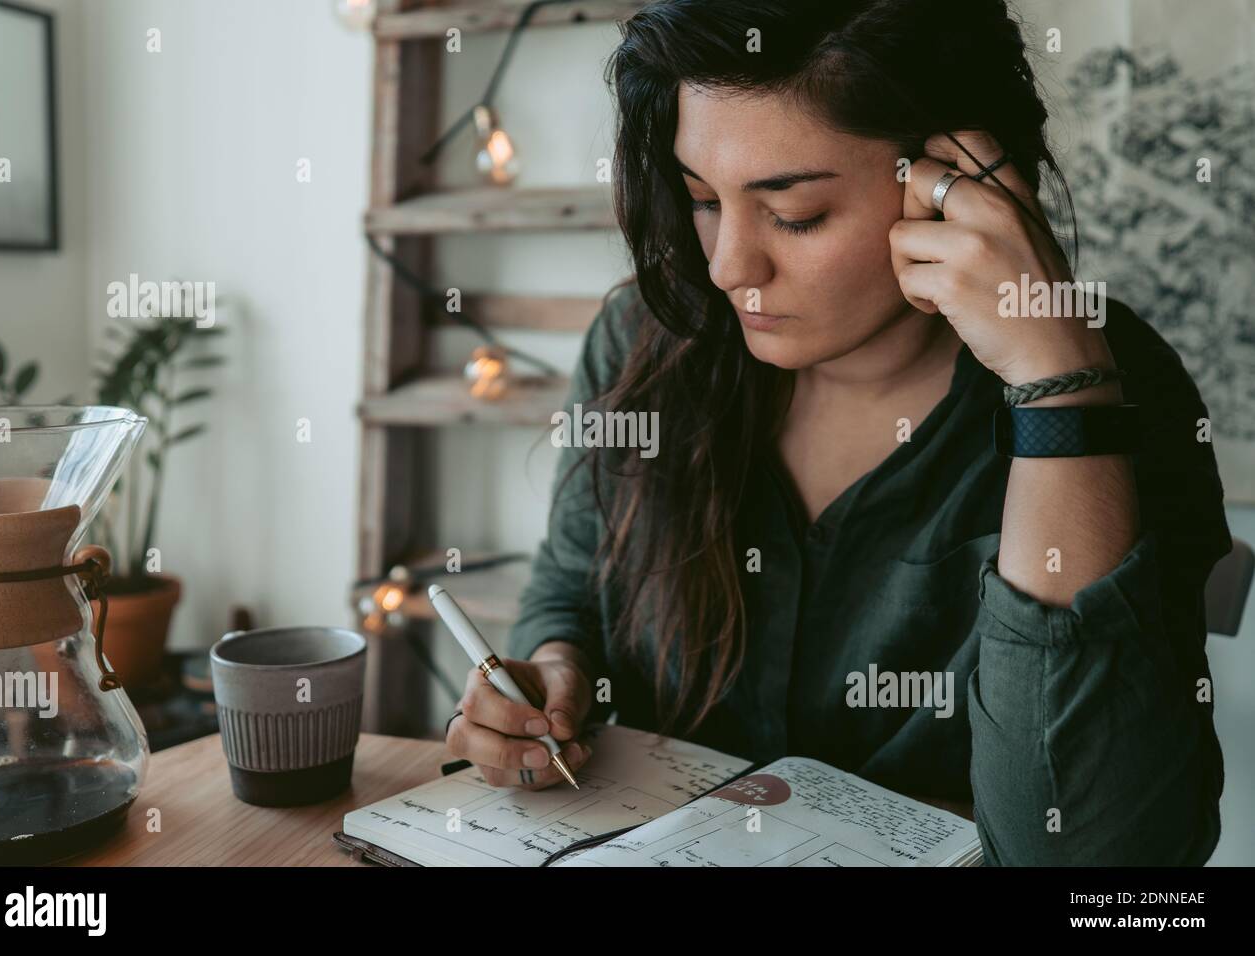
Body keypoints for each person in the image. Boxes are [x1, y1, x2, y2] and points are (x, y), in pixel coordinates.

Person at [443, 0, 1230, 865]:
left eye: (797, 215)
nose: (727, 267)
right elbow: (573, 591)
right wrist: (553, 674)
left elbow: (1100, 869)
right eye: (702, 198)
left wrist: (1060, 401)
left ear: (959, 184)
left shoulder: (1120, 388)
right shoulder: (644, 344)